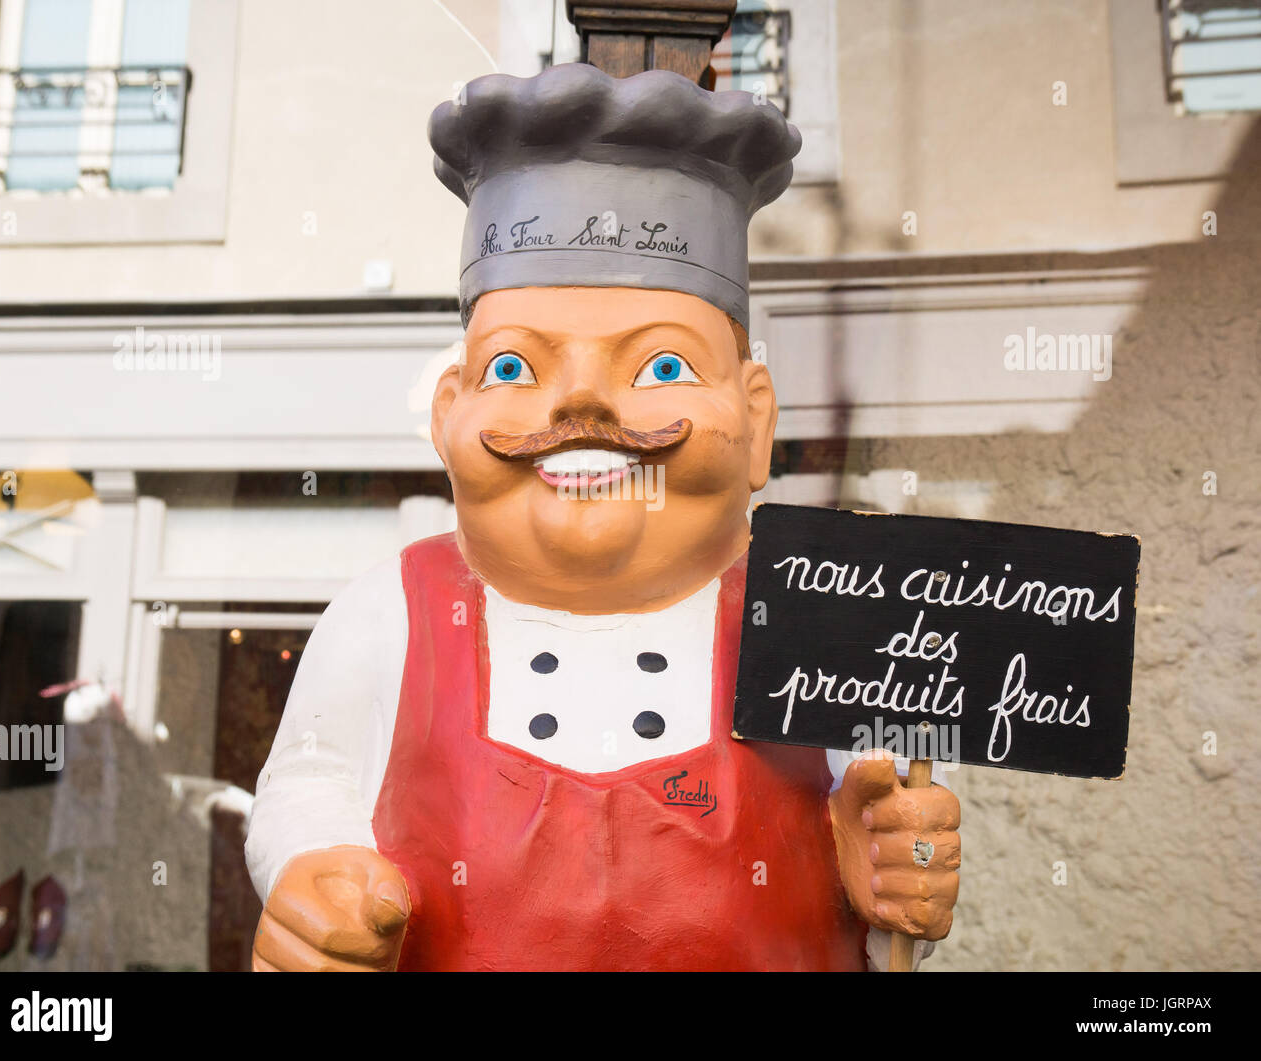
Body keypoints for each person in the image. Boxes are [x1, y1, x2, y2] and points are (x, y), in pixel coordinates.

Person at [244, 63, 960, 971]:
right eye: (515, 368)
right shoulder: (393, 608)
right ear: (449, 413)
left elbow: (892, 855)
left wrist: (887, 876)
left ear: (756, 422)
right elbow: (311, 778)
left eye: (662, 367)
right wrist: (318, 872)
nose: (581, 399)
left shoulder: (821, 614)